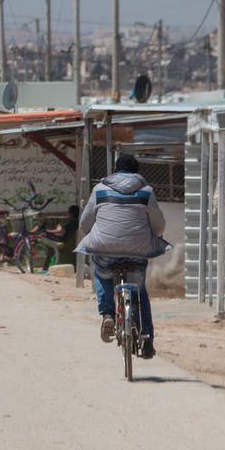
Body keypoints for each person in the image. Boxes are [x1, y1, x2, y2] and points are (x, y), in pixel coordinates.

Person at [76, 154, 168, 359]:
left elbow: (84, 225)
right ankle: (147, 338)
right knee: (139, 292)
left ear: (115, 170)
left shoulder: (99, 189)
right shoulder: (146, 191)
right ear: (137, 172)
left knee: (101, 272)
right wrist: (156, 236)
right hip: (137, 251)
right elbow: (159, 225)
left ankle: (108, 313)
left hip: (105, 249)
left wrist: (91, 240)